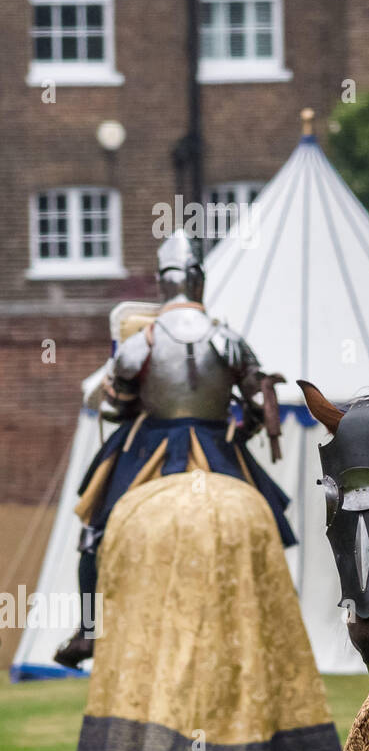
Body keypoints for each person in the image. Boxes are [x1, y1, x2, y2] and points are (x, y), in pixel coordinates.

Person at [54, 230, 295, 669]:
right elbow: (257, 402)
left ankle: (89, 631)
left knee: (94, 531)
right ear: (199, 280)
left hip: (151, 444)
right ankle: (280, 614)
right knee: (265, 521)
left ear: (163, 282)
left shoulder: (139, 342)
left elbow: (117, 401)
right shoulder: (227, 339)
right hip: (215, 443)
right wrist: (244, 424)